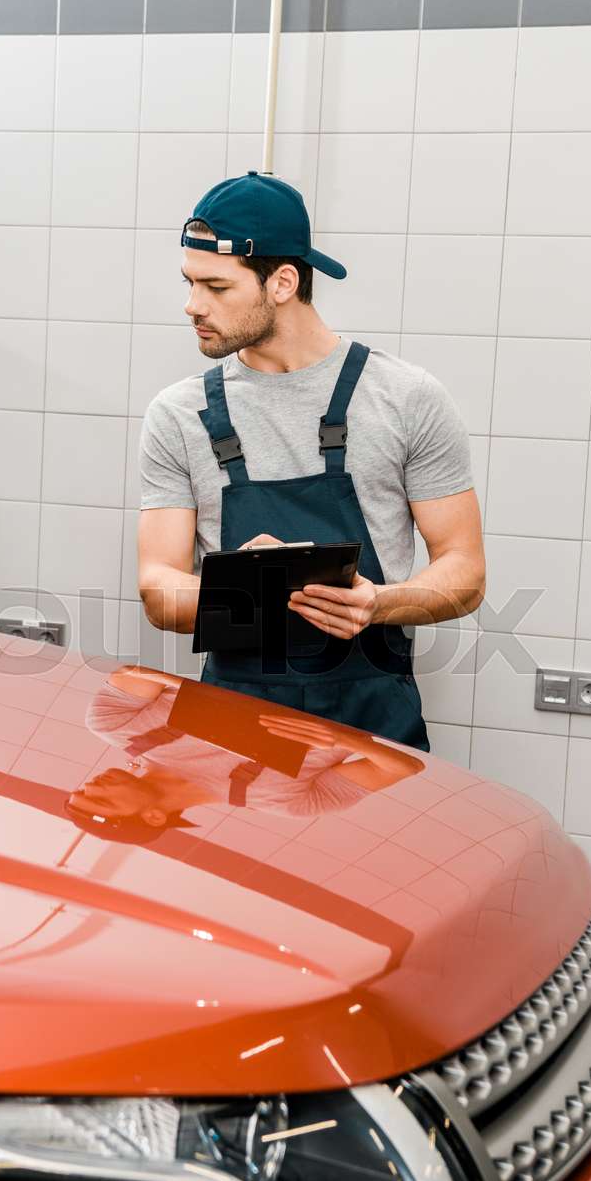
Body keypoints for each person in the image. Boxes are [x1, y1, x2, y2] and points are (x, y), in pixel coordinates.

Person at [136, 172, 486, 751]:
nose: (191, 306)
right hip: (232, 726)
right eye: (190, 283)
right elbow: (158, 590)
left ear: (283, 282)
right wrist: (251, 589)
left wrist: (377, 603)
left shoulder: (406, 398)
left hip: (371, 724)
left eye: (216, 288)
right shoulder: (180, 413)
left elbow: (465, 573)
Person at [64, 665, 423, 844]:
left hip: (256, 641)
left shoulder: (114, 726)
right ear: (155, 817)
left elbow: (131, 675)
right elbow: (405, 767)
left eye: (81, 791)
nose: (91, 786)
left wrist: (225, 702)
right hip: (357, 674)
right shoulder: (286, 801)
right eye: (101, 800)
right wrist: (343, 738)